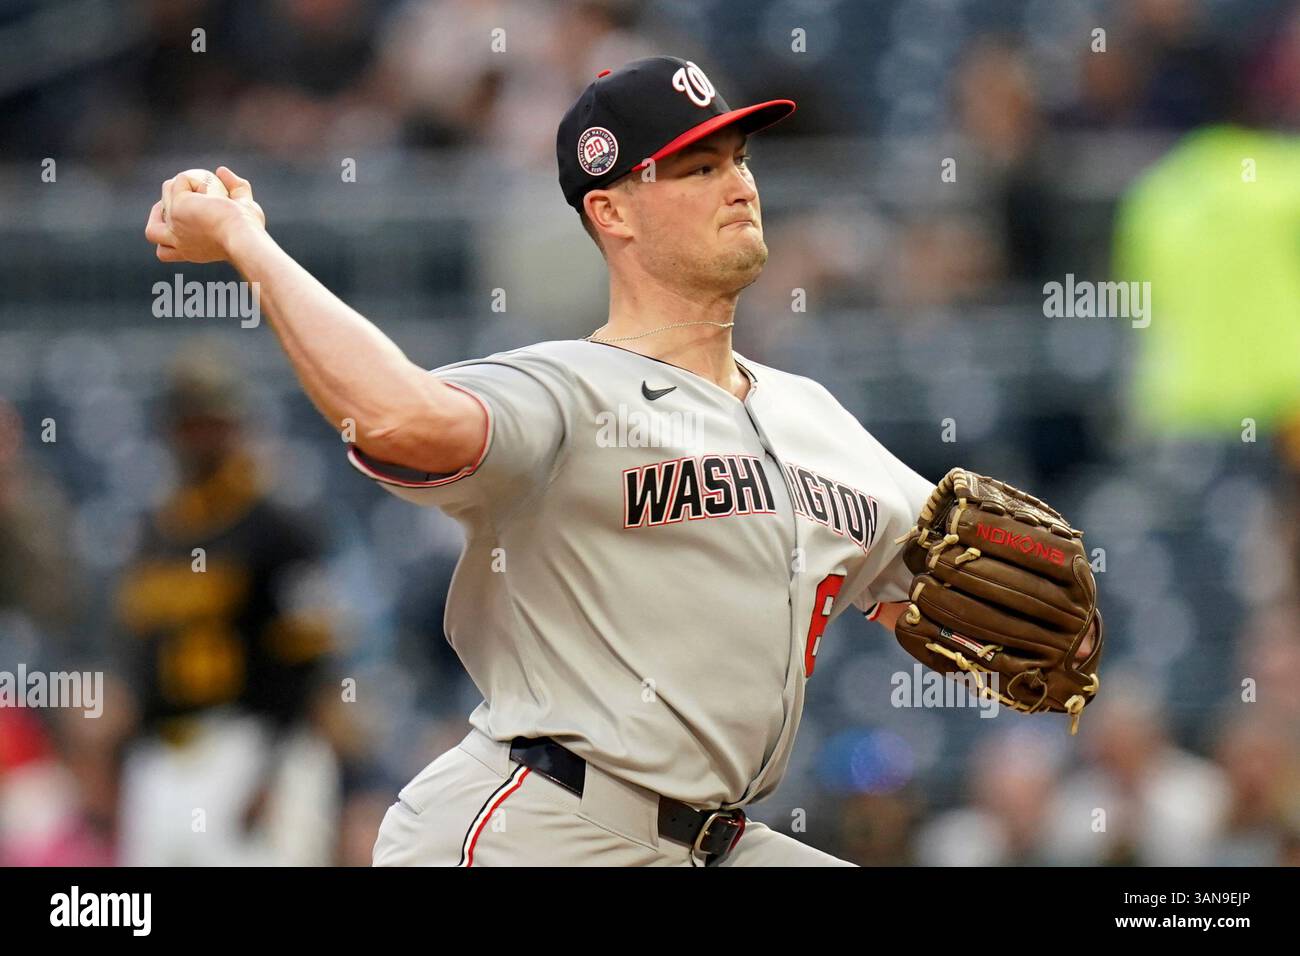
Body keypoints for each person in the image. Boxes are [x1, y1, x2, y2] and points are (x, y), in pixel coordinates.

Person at [145, 55, 935, 866]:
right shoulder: (565, 390)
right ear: (612, 212)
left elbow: (968, 578)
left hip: (719, 841)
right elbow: (395, 417)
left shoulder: (815, 416)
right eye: (700, 168)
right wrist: (248, 242)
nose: (740, 186)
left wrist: (1048, 619)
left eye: (739, 160)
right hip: (547, 826)